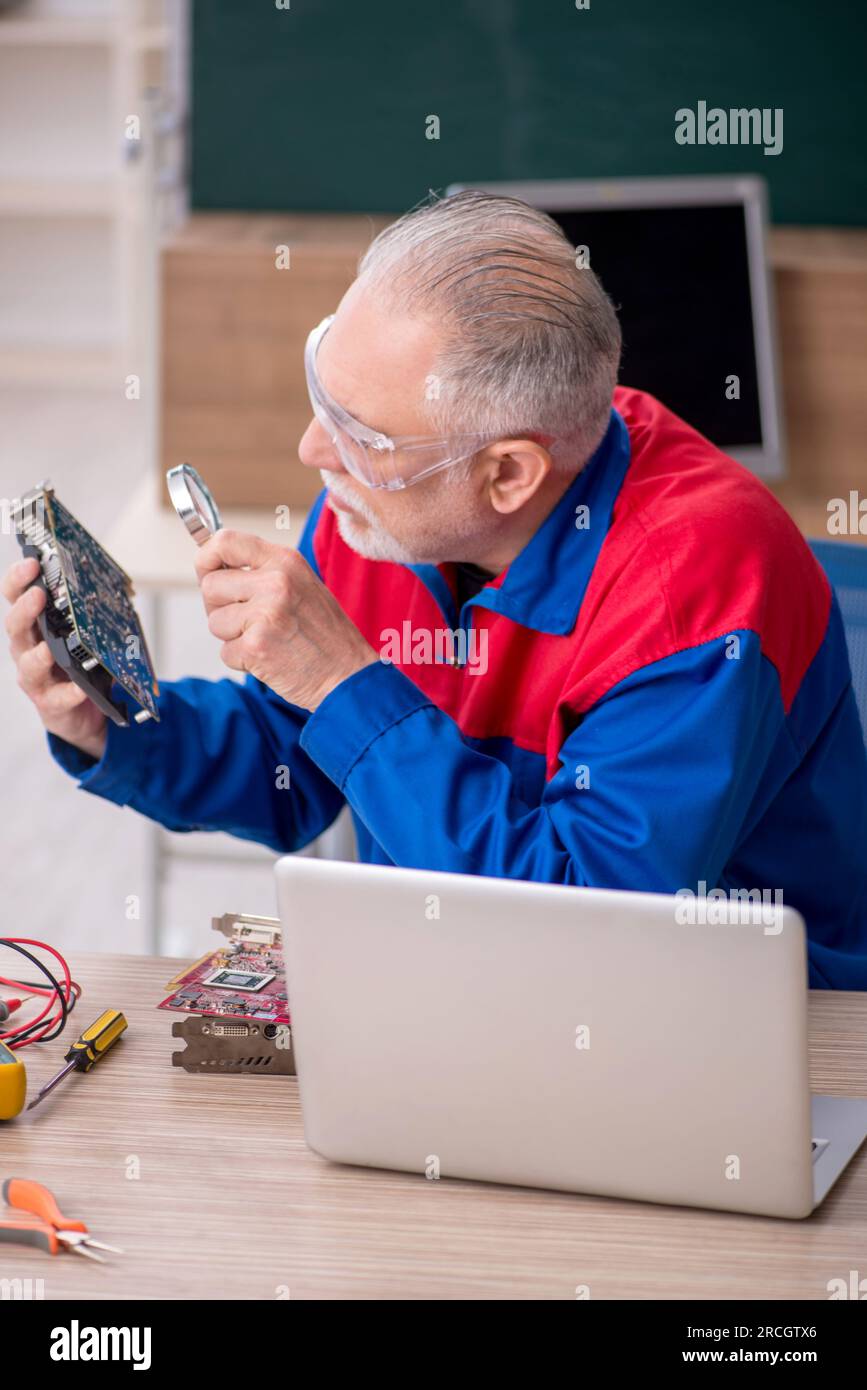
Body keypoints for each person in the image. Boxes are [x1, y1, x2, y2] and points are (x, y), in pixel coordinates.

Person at [4, 192, 866, 987]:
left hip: (732, 1013)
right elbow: (293, 763)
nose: (313, 449)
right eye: (321, 391)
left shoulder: (695, 601)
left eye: (360, 433)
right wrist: (115, 727)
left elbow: (587, 931)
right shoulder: (392, 506)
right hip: (455, 982)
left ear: (506, 475)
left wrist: (345, 681)